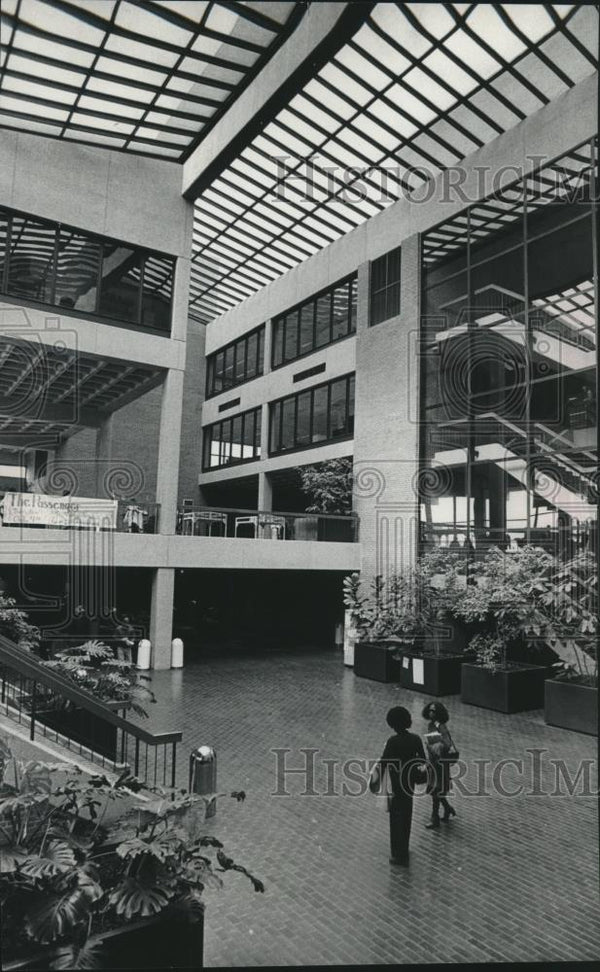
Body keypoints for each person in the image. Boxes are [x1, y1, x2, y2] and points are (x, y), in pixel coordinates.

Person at [369, 706, 428, 866]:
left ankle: (398, 854)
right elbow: (422, 760)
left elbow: (384, 761)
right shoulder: (415, 739)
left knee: (396, 818)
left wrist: (374, 780)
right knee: (407, 814)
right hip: (409, 783)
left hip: (395, 784)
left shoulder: (392, 742)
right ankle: (405, 848)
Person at [422, 701, 457, 828]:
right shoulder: (431, 725)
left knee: (435, 791)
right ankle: (447, 808)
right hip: (434, 763)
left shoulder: (441, 727)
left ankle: (435, 817)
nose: (431, 713)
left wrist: (434, 746)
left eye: (434, 711)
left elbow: (447, 744)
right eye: (430, 710)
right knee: (436, 790)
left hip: (440, 764)